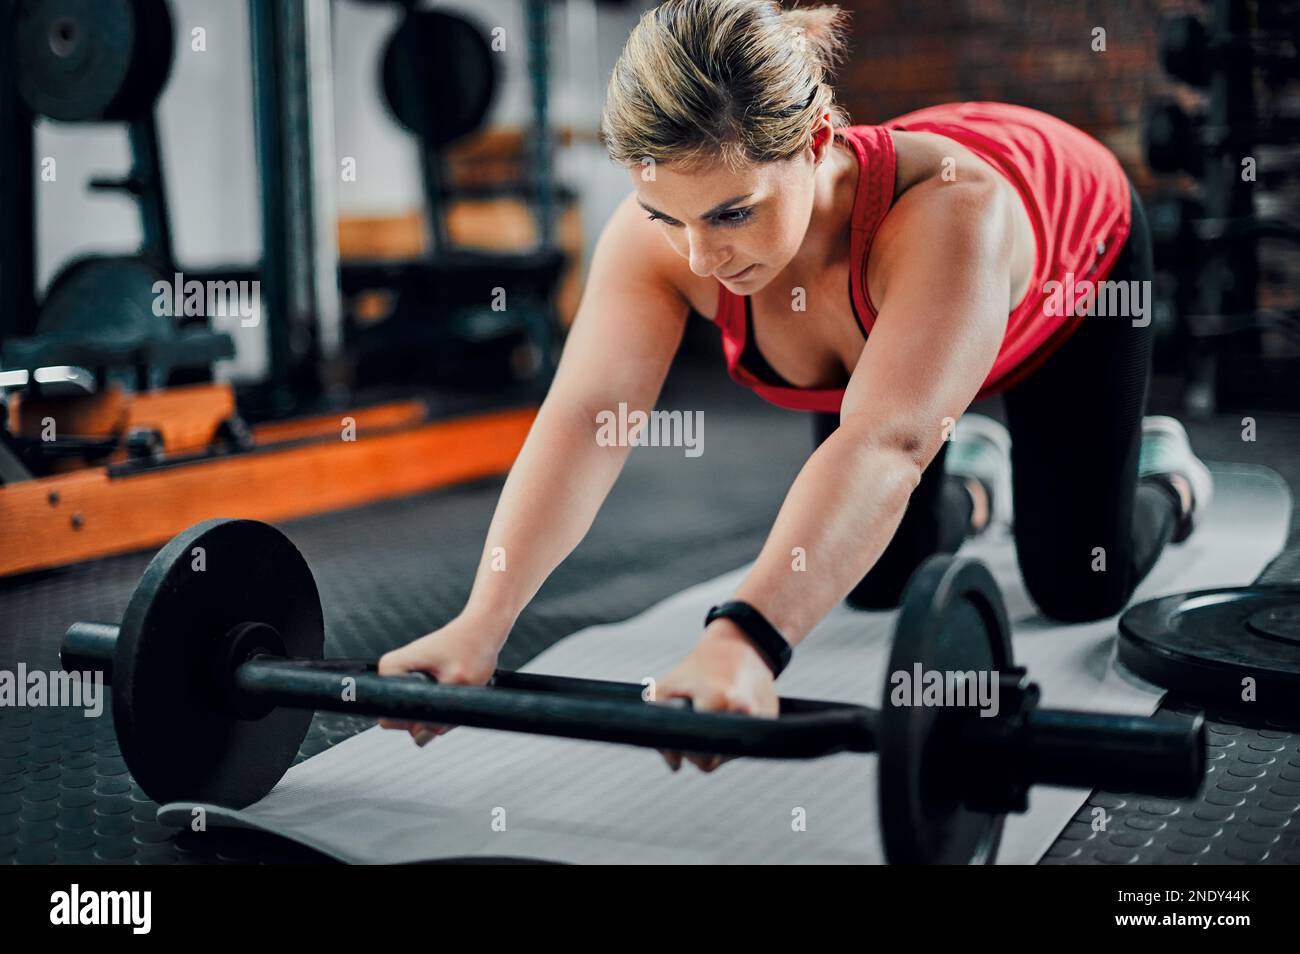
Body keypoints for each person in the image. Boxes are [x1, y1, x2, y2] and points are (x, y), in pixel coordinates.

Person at [378, 0, 1213, 773]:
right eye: (671, 217)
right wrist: (479, 625)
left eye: (732, 213)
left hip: (1074, 272)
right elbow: (590, 418)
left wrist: (743, 640)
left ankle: (1166, 480)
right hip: (885, 346)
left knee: (1076, 586)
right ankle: (975, 485)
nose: (701, 260)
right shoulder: (662, 238)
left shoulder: (952, 216)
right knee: (876, 576)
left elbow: (886, 442)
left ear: (816, 140)